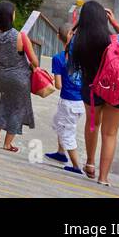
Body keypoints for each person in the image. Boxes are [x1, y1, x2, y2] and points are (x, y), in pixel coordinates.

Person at [71, 0, 119, 185]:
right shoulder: (116, 40)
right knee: (110, 133)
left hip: (92, 90)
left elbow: (70, 41)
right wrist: (115, 23)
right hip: (118, 90)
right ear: (104, 19)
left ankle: (90, 164)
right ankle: (103, 177)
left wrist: (78, 25)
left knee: (93, 124)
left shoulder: (79, 41)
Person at [0, 0, 38, 152]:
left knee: (4, 101)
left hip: (1, 76)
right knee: (18, 108)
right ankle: (8, 143)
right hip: (19, 77)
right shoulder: (20, 36)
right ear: (10, 16)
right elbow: (35, 61)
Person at [43, 25, 88, 175]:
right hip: (80, 102)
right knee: (57, 122)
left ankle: (76, 166)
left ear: (58, 37)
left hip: (68, 103)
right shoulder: (82, 56)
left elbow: (58, 85)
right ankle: (61, 153)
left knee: (68, 133)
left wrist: (51, 78)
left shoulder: (58, 58)